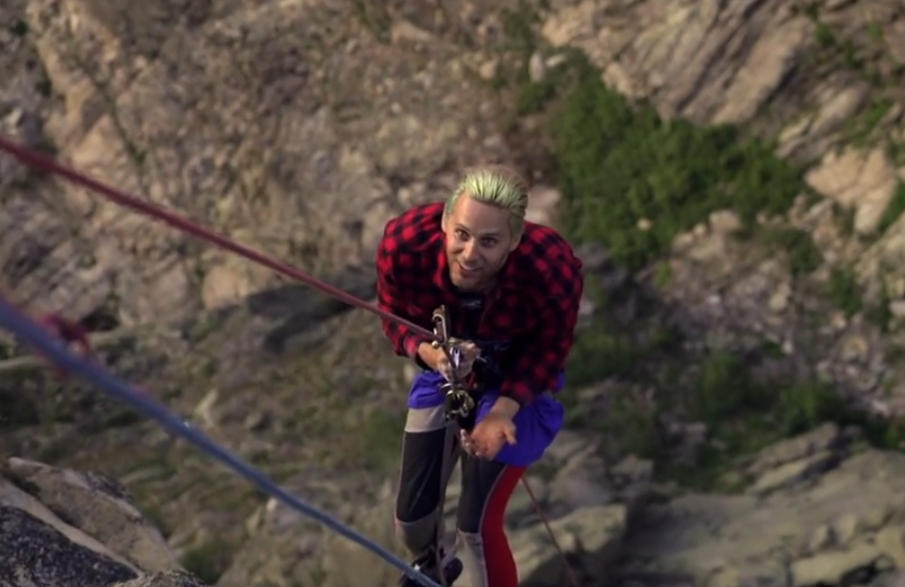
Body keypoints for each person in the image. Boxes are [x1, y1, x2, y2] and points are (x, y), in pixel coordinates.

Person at [375, 165, 584, 587]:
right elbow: (393, 316)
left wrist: (501, 412)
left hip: (514, 385)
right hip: (446, 371)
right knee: (412, 525)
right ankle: (434, 568)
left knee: (477, 530)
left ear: (514, 242)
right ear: (444, 224)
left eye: (489, 242)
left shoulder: (550, 269)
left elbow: (549, 351)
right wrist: (430, 354)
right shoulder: (405, 245)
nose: (470, 255)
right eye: (462, 235)